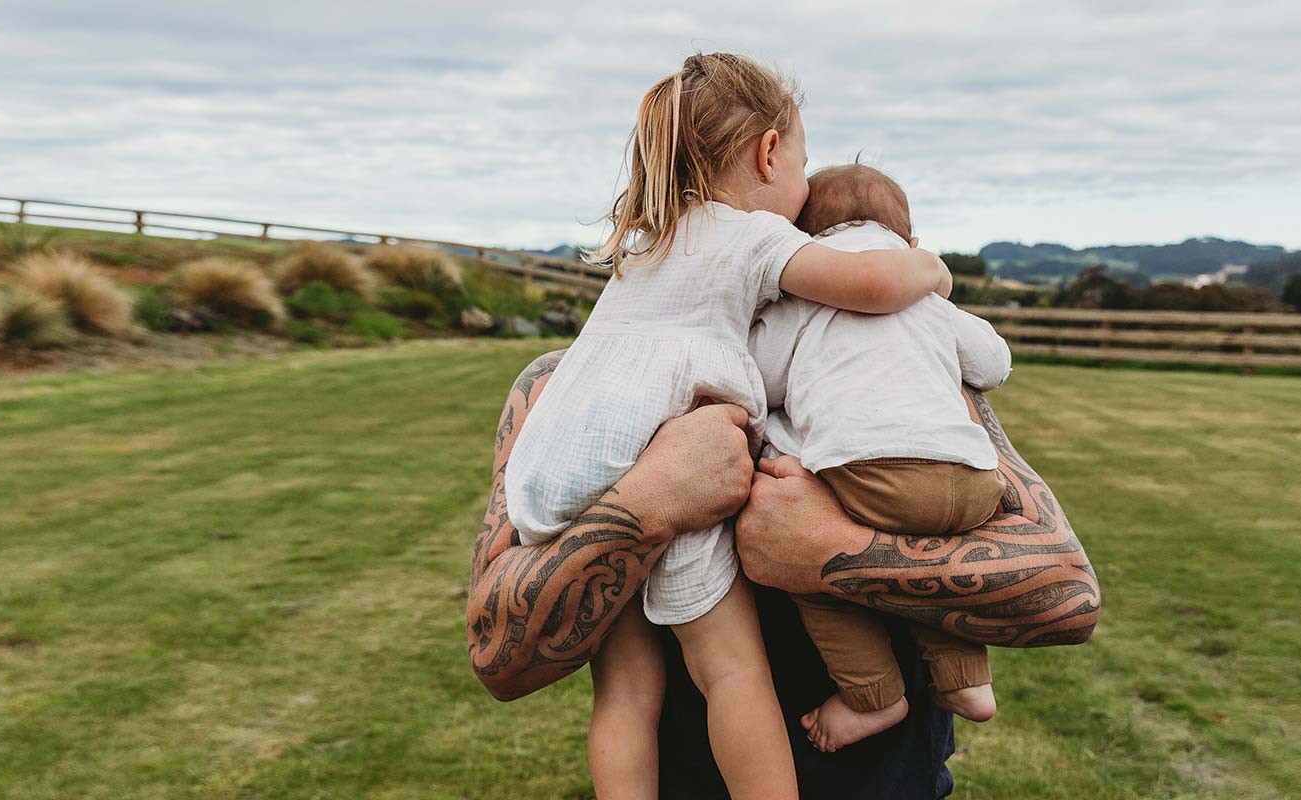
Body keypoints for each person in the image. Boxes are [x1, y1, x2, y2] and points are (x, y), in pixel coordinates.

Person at [499, 53, 952, 800]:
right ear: (769, 153)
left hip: (563, 472)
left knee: (625, 695)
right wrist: (926, 270)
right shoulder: (748, 236)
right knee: (732, 673)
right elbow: (869, 285)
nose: (803, 186)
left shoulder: (647, 249)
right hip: (660, 465)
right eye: (801, 162)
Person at [468, 351, 1101, 798]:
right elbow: (498, 657)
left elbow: (1066, 594)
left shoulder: (902, 366)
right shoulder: (563, 386)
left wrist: (834, 549)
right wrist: (648, 503)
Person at [749, 163, 1013, 752]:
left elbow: (759, 380)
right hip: (972, 479)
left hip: (873, 471)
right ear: (911, 245)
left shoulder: (805, 297)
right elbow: (993, 364)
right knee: (935, 558)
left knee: (808, 567)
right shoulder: (930, 301)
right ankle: (967, 680)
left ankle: (873, 696)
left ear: (806, 244)